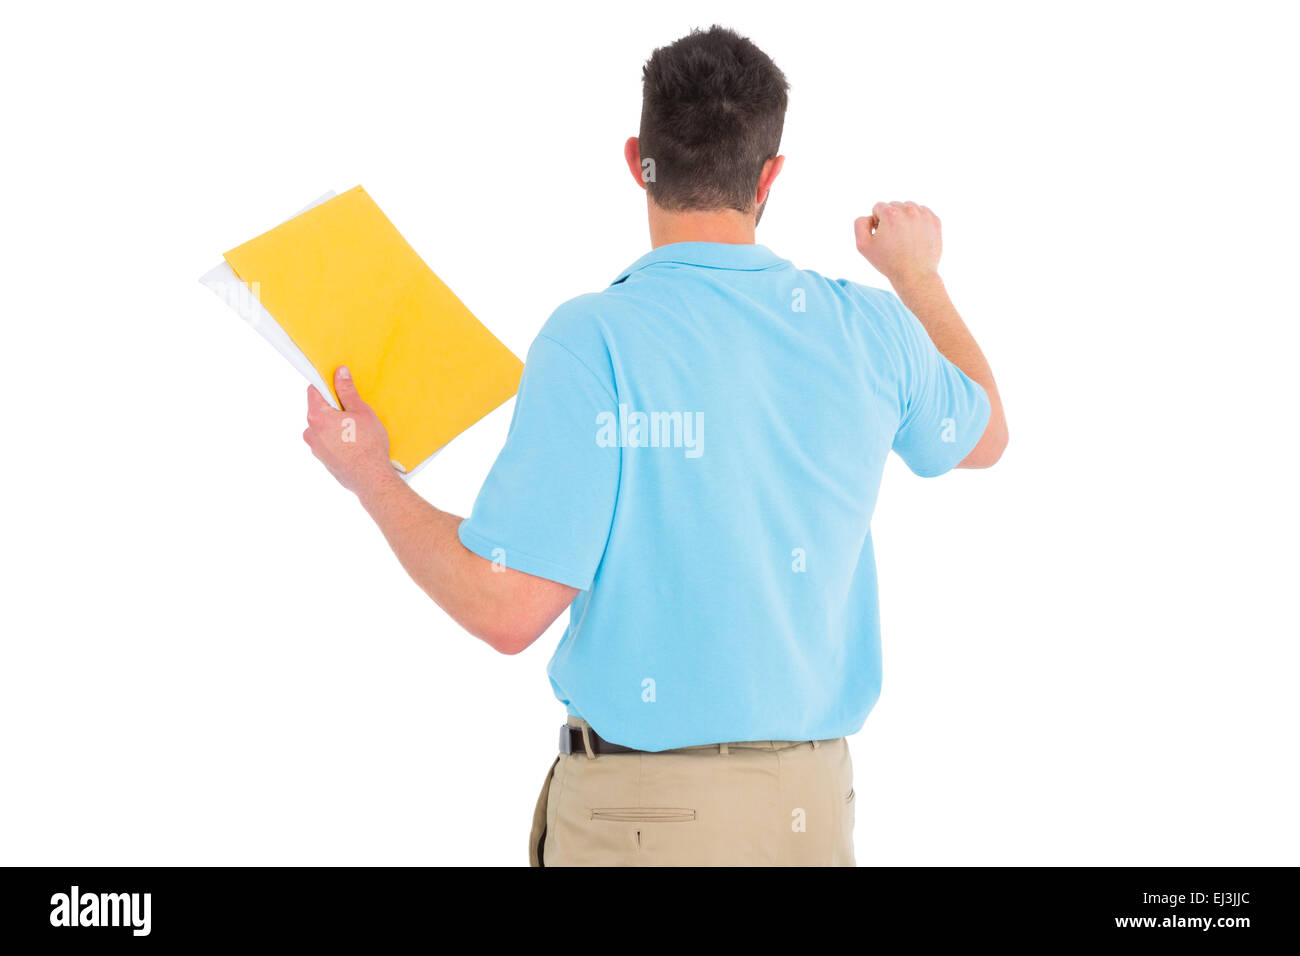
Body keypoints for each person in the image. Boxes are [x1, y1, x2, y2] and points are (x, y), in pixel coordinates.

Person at [301, 24, 1008, 866]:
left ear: (638, 157)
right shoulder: (870, 328)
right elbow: (985, 434)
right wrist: (916, 273)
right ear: (771, 175)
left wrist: (370, 476)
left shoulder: (595, 339)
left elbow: (506, 608)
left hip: (644, 824)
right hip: (814, 815)